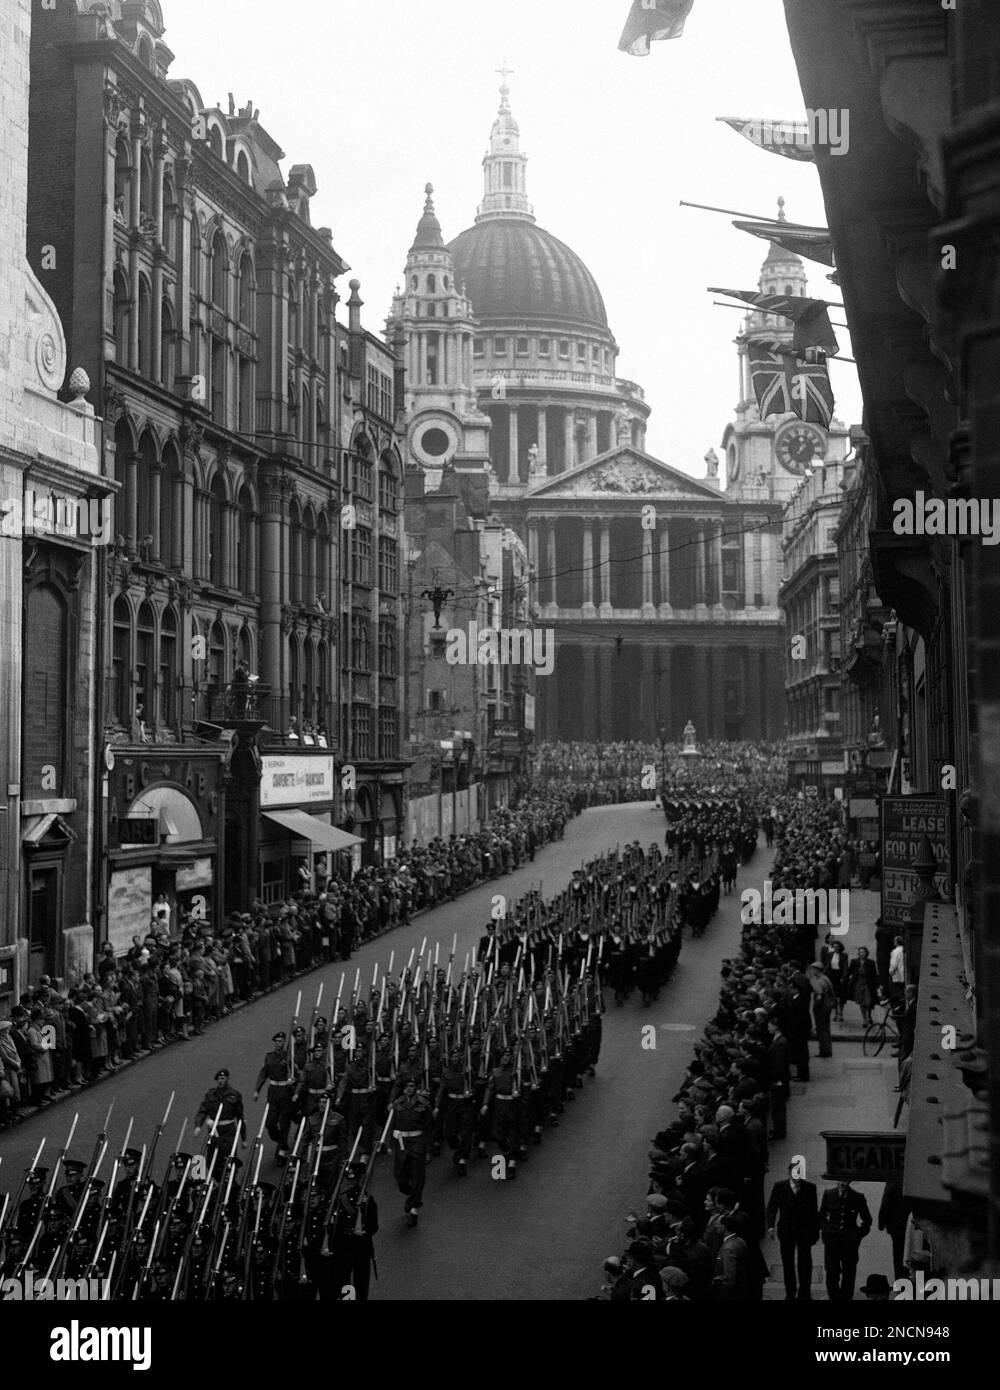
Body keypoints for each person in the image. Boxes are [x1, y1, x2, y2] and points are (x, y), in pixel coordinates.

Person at [766, 1162, 819, 1300]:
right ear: (788, 1174)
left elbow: (814, 1212)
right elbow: (772, 1207)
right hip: (786, 1230)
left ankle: (805, 1293)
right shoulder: (779, 1187)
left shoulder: (810, 1188)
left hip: (804, 1230)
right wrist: (770, 1226)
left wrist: (815, 1231)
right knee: (787, 1263)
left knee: (805, 1263)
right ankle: (790, 1292)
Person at [819, 1177, 872, 1302]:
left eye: (845, 1181)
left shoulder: (858, 1197)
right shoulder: (829, 1194)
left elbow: (867, 1220)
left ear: (850, 1182)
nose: (842, 1183)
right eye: (840, 1181)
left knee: (849, 1273)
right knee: (832, 1272)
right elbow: (821, 1216)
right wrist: (826, 1231)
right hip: (832, 1241)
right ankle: (834, 1297)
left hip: (850, 1243)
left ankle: (846, 1298)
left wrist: (858, 1235)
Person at [392, 1077, 432, 1226]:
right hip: (402, 1143)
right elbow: (392, 1125)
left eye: (412, 1086)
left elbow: (429, 1128)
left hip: (417, 1143)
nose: (410, 1088)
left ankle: (414, 1210)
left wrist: (428, 1149)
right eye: (407, 1086)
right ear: (403, 1088)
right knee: (400, 1176)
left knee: (417, 1178)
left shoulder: (424, 1104)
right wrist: (391, 1145)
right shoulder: (397, 1104)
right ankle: (411, 1195)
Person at [254, 1031, 295, 1165]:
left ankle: (281, 1151)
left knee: (284, 1122)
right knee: (270, 1123)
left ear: (284, 1042)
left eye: (281, 1041)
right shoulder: (269, 1057)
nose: (278, 1043)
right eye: (276, 1041)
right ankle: (281, 1140)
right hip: (273, 1091)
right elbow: (263, 1073)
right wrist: (257, 1090)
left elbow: (295, 1072)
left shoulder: (289, 1056)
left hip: (285, 1091)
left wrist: (292, 1079)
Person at [193, 1068, 246, 1167]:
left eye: (223, 1078)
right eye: (219, 1079)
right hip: (214, 1131)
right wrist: (198, 1126)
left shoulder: (234, 1095)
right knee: (211, 1162)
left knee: (228, 1161)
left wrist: (244, 1138)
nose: (221, 1081)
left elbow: (240, 1117)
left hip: (228, 1132)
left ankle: (229, 1180)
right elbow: (202, 1111)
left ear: (227, 1079)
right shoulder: (211, 1095)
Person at [806, 963, 835, 1059]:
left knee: (821, 1029)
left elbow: (819, 996)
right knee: (826, 1029)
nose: (812, 971)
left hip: (822, 1007)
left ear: (817, 970)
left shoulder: (819, 981)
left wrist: (815, 1007)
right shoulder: (826, 978)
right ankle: (828, 1050)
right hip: (828, 1005)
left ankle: (824, 1050)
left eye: (813, 969)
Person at [846, 946, 879, 1027]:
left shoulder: (870, 962)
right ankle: (864, 1019)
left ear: (866, 953)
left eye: (863, 952)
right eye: (860, 952)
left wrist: (877, 985)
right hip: (858, 984)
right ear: (858, 954)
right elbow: (849, 972)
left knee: (868, 1002)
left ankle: (869, 1015)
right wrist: (845, 980)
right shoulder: (854, 962)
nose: (862, 954)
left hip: (868, 984)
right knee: (861, 1002)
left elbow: (874, 974)